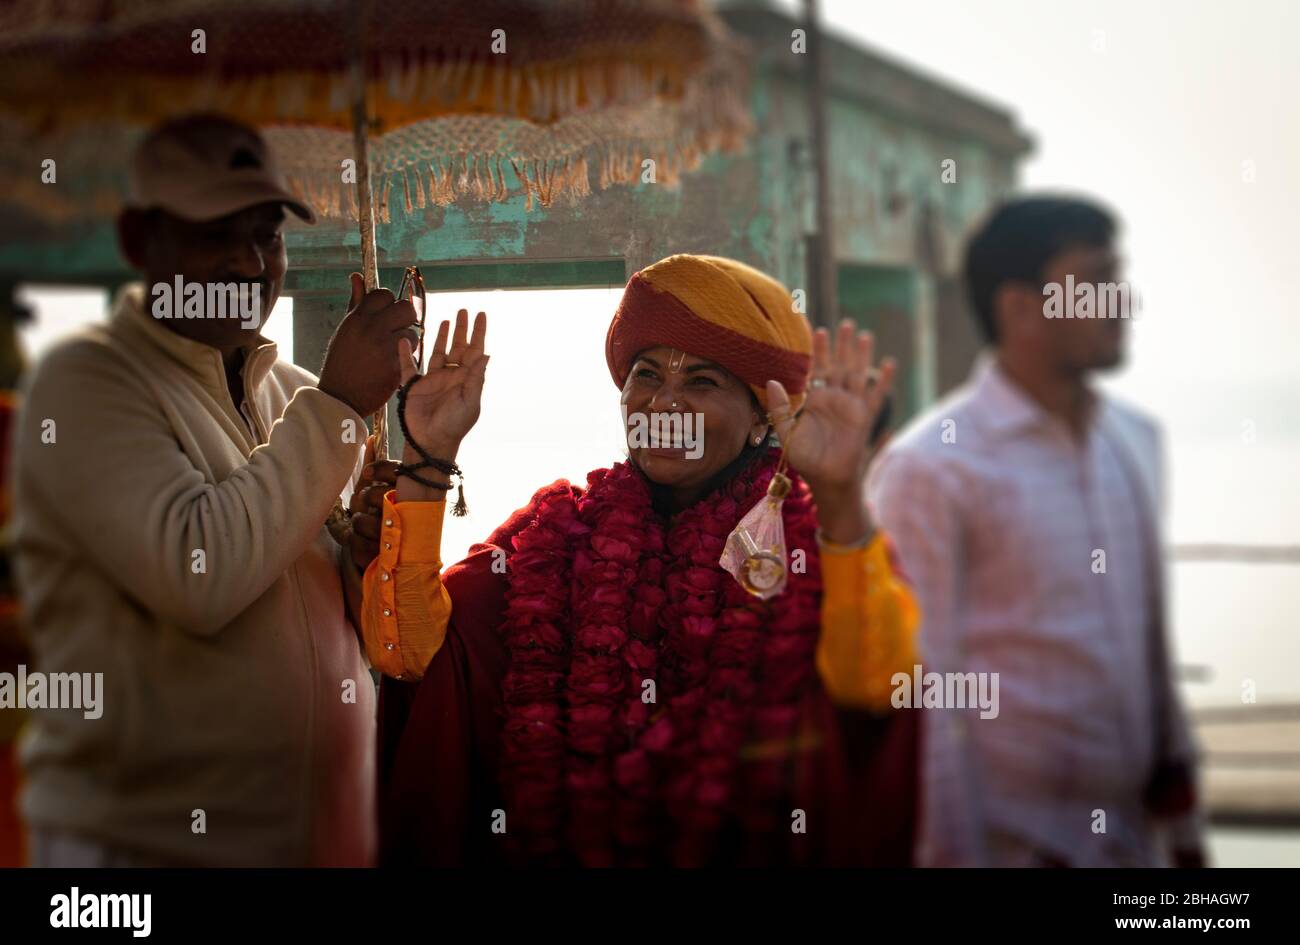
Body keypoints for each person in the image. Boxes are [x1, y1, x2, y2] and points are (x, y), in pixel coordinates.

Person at [357, 253, 920, 866]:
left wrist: (839, 500)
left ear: (763, 417)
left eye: (702, 382)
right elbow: (406, 654)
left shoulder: (813, 543)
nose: (664, 404)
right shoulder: (552, 538)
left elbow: (877, 689)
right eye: (647, 375)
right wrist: (429, 458)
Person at [11, 114, 415, 866]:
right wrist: (337, 409)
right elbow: (198, 570)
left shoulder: (292, 394)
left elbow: (364, 644)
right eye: (214, 233)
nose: (246, 261)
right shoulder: (85, 385)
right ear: (139, 241)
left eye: (266, 234)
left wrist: (362, 556)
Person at [868, 196, 1205, 867]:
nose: (1120, 301)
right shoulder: (932, 466)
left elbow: (1147, 641)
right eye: (1096, 281)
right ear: (1021, 307)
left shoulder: (1133, 442)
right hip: (1015, 845)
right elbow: (927, 694)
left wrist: (1186, 826)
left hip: (1136, 843)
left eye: (1119, 277)